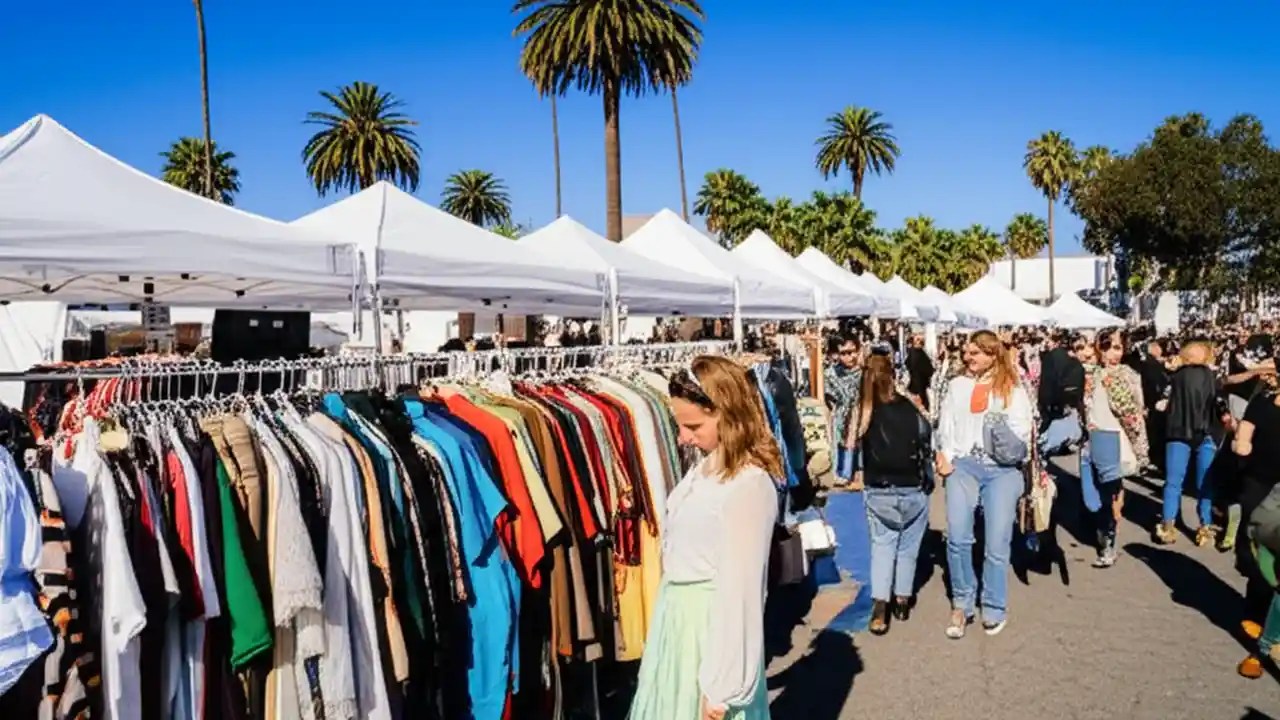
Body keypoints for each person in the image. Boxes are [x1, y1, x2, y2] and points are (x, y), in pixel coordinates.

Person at [629, 356, 780, 720]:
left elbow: (742, 591)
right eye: (680, 426)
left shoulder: (749, 485)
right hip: (679, 624)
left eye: (693, 425)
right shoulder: (708, 468)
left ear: (725, 414)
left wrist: (722, 688)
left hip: (707, 630)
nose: (683, 437)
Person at [936, 330, 1033, 638]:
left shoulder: (1013, 389)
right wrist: (943, 455)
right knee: (958, 538)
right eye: (967, 352)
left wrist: (1000, 429)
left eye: (975, 353)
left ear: (993, 355)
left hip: (1002, 471)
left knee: (996, 542)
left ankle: (993, 605)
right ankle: (962, 602)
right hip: (963, 466)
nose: (968, 357)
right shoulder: (956, 386)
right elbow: (945, 423)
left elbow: (1024, 431)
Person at [848, 354, 933, 634]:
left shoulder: (864, 409)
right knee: (908, 548)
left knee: (883, 546)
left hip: (879, 488)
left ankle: (881, 607)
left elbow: (847, 443)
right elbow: (926, 438)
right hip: (913, 486)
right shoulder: (910, 406)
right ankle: (903, 599)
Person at [1079, 329, 1149, 568]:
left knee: (1109, 495)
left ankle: (1108, 543)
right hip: (1089, 438)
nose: (1112, 352)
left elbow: (1133, 413)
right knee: (1091, 498)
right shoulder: (1089, 374)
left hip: (1112, 438)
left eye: (1117, 347)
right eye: (1107, 346)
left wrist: (1139, 447)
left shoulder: (1126, 374)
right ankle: (1106, 531)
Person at [1229, 369, 1280, 678]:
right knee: (1261, 558)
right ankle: (1256, 618)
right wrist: (1241, 446)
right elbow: (1242, 438)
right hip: (1260, 488)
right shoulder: (1262, 404)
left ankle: (1264, 643)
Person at [1158, 341, 1225, 546]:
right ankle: (1205, 527)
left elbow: (1163, 404)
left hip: (1177, 433)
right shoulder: (1213, 378)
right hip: (1206, 433)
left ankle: (1168, 525)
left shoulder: (1174, 378)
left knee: (1173, 481)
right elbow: (1220, 404)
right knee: (1205, 483)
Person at [1038, 330, 1085, 457]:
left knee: (1054, 426)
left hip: (1054, 398)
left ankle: (1047, 446)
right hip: (1070, 398)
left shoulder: (1051, 357)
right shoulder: (1072, 359)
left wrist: (1044, 401)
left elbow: (1047, 380)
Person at [824, 334, 863, 485]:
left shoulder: (865, 373)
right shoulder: (831, 375)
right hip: (840, 421)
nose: (850, 357)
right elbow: (829, 403)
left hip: (863, 420)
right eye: (844, 353)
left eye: (853, 351)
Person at [904, 334, 935, 412]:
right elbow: (929, 370)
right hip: (919, 388)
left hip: (915, 387)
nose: (921, 342)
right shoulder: (918, 354)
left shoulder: (914, 353)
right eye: (919, 340)